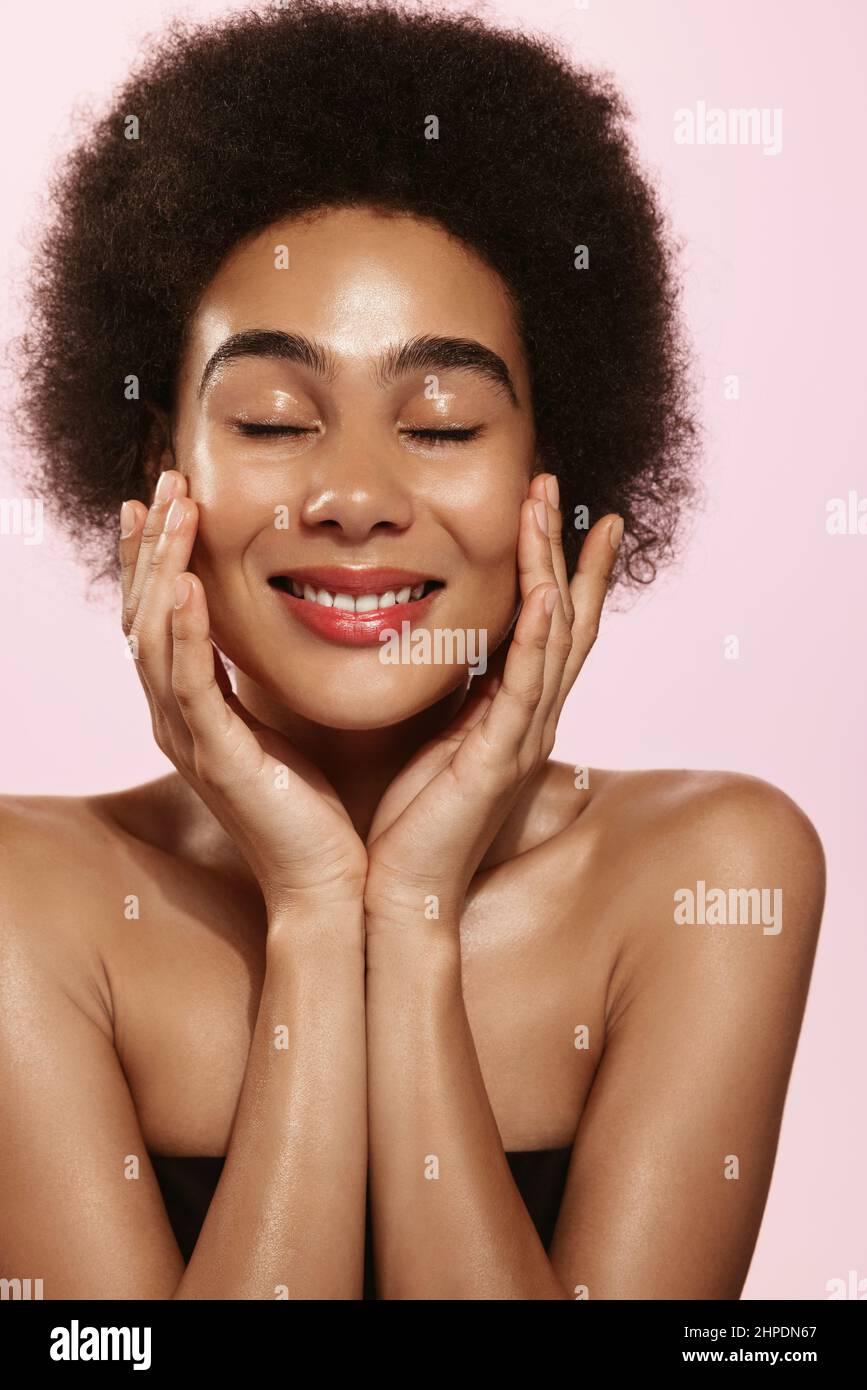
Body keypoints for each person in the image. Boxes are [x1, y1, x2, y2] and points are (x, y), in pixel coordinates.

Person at [0, 0, 824, 1299]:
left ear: (554, 479)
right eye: (273, 419)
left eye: (440, 425)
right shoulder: (24, 905)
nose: (356, 494)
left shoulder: (710, 872)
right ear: (162, 473)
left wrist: (416, 915)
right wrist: (320, 914)